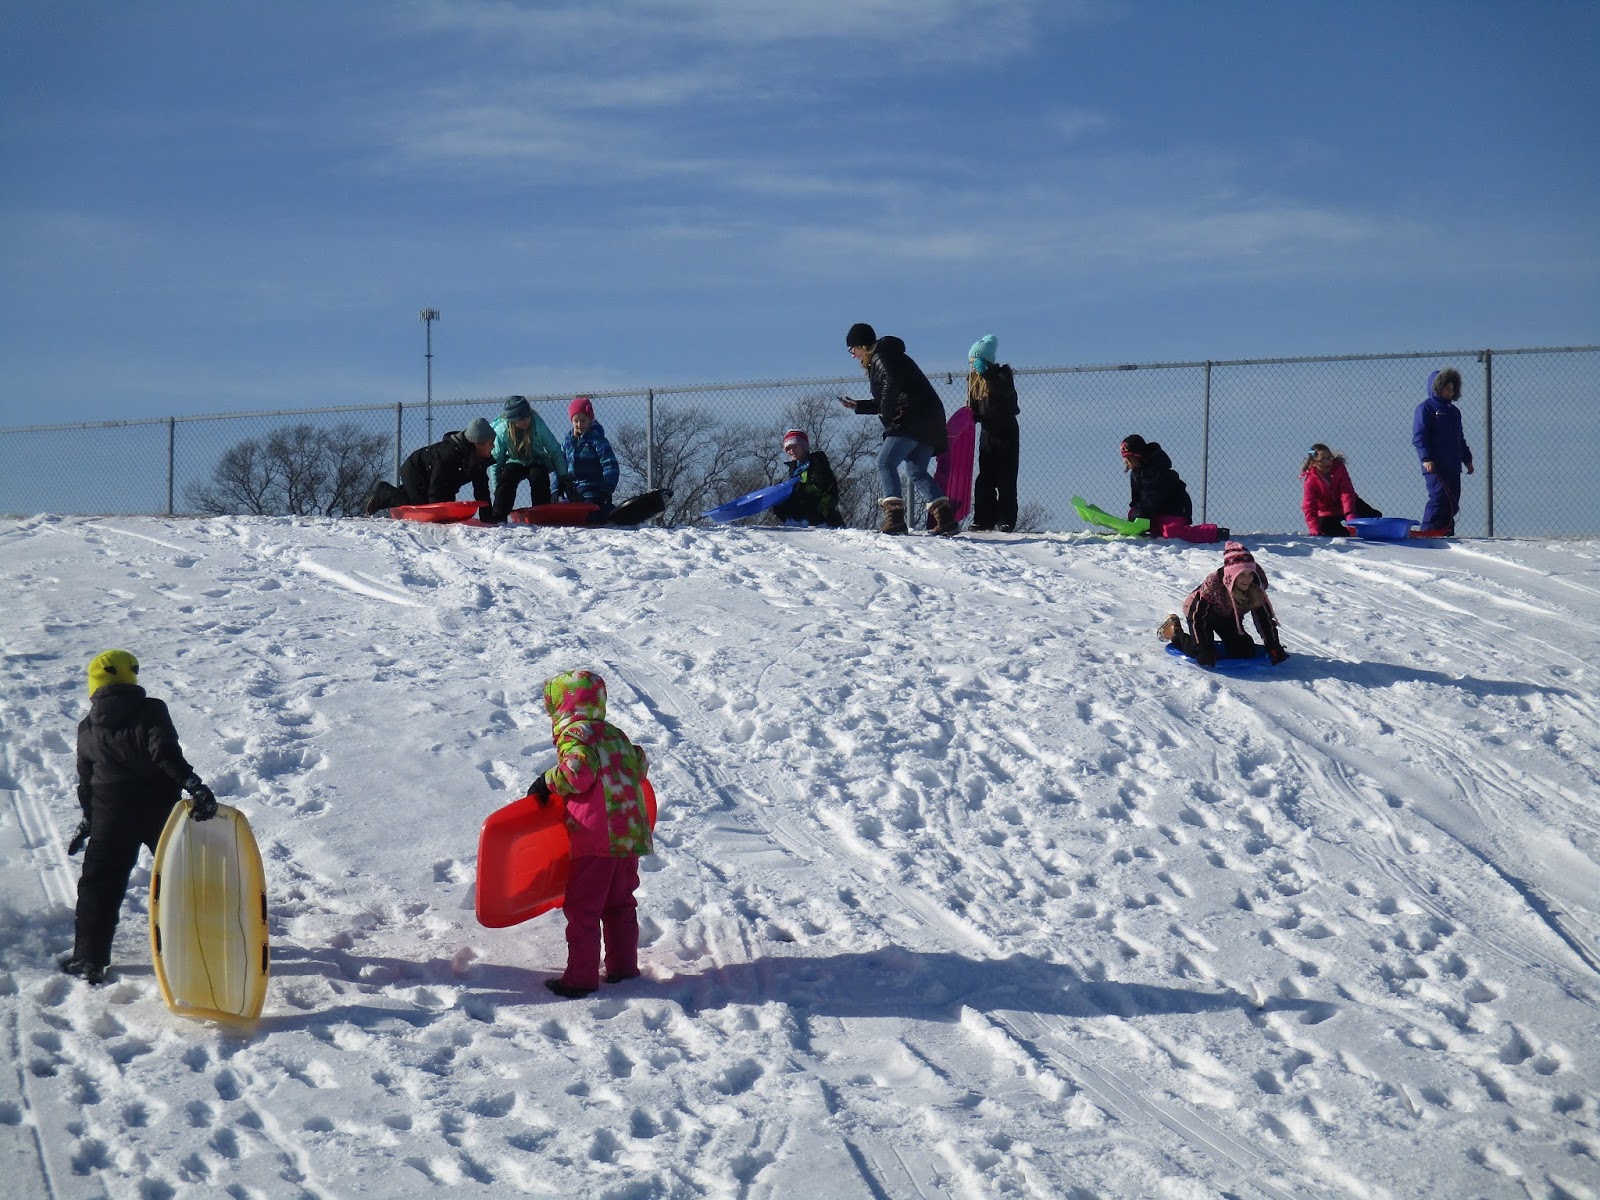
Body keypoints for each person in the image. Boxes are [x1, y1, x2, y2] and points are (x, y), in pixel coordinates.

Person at [64, 651, 219, 985]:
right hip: (156, 805)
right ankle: (206, 947)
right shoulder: (151, 709)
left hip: (109, 810)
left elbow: (86, 779)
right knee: (183, 876)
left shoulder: (87, 727)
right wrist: (192, 784)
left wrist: (89, 819)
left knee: (99, 885)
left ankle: (88, 959)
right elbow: (163, 753)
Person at [526, 670, 652, 998]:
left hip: (596, 836)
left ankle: (580, 979)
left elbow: (578, 774)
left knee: (584, 908)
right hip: (630, 834)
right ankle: (624, 970)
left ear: (560, 707)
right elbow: (639, 765)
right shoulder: (616, 735)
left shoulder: (575, 734)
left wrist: (547, 781)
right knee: (620, 905)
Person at [840, 323, 957, 536]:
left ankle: (895, 519)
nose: (853, 356)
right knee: (916, 472)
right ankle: (946, 518)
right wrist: (859, 405)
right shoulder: (889, 357)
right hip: (929, 420)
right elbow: (889, 396)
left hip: (912, 420)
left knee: (885, 462)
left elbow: (891, 388)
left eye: (852, 349)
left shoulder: (882, 357)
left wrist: (887, 415)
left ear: (862, 346)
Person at [1157, 542, 1288, 668]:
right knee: (1203, 653)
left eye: (1250, 574)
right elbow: (1198, 619)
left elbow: (1264, 619)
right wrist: (1203, 648)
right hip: (1200, 613)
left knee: (1245, 650)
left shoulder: (1255, 588)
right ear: (1231, 575)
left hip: (1228, 616)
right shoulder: (1213, 587)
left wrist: (1273, 646)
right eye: (1241, 575)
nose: (1247, 579)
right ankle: (1175, 632)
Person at [362, 418, 495, 514]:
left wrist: (488, 516)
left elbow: (481, 488)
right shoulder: (450, 453)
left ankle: (395, 493)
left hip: (435, 477)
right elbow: (438, 486)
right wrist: (439, 515)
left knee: (433, 498)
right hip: (415, 469)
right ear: (478, 443)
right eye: (490, 443)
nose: (493, 446)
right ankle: (384, 493)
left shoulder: (479, 459)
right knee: (420, 506)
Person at [1120, 435, 1226, 543]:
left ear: (1136, 455)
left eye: (1127, 457)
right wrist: (1133, 515)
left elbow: (1151, 498)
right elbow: (1137, 499)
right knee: (1148, 524)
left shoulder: (1156, 471)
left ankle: (1214, 533)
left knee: (1171, 532)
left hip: (1175, 508)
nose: (1125, 461)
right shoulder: (1135, 474)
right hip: (1156, 510)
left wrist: (1139, 514)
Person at [966, 334, 1020, 532]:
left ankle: (1006, 518)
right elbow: (973, 406)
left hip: (1006, 431)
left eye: (976, 362)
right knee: (985, 477)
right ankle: (983, 518)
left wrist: (988, 376)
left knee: (1006, 476)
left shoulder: (1002, 375)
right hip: (987, 432)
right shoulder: (973, 381)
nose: (973, 367)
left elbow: (1004, 393)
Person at [1412, 367, 1474, 535]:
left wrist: (1467, 459)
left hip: (1453, 466)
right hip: (1435, 466)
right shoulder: (1426, 408)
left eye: (1453, 388)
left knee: (1452, 501)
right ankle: (1428, 531)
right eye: (1447, 388)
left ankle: (1446, 531)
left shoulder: (1454, 412)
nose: (1450, 392)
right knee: (1439, 499)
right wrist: (1426, 459)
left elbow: (1459, 438)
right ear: (1437, 388)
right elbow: (1420, 436)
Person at [488, 396, 569, 523]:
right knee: (508, 475)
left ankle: (542, 513)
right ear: (512, 420)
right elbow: (496, 461)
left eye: (527, 417)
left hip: (536, 460)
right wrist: (497, 488)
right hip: (514, 461)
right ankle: (499, 514)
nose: (526, 421)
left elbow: (554, 449)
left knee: (538, 475)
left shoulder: (538, 424)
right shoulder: (502, 430)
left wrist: (563, 475)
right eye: (521, 419)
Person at [1300, 444, 1381, 536]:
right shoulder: (1310, 481)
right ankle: (1351, 533)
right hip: (1327, 512)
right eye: (1323, 459)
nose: (1328, 462)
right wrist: (1313, 528)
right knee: (1328, 528)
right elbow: (1309, 507)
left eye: (1329, 458)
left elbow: (1346, 493)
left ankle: (1374, 530)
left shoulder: (1339, 469)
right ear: (1313, 463)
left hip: (1349, 504)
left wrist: (1350, 514)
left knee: (1374, 516)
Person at [771, 429, 845, 527]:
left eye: (795, 446)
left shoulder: (817, 461)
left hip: (821, 504)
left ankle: (815, 522)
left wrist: (799, 489)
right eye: (788, 448)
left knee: (806, 503)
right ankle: (794, 522)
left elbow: (821, 485)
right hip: (803, 501)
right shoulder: (795, 467)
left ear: (804, 446)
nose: (791, 451)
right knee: (778, 502)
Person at [563, 396, 620, 518]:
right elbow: (559, 465)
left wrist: (606, 489)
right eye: (576, 421)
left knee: (589, 514)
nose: (579, 425)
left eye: (583, 421)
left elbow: (610, 465)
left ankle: (610, 512)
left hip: (593, 489)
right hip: (573, 490)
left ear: (590, 420)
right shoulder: (567, 442)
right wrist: (555, 488)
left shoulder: (598, 441)